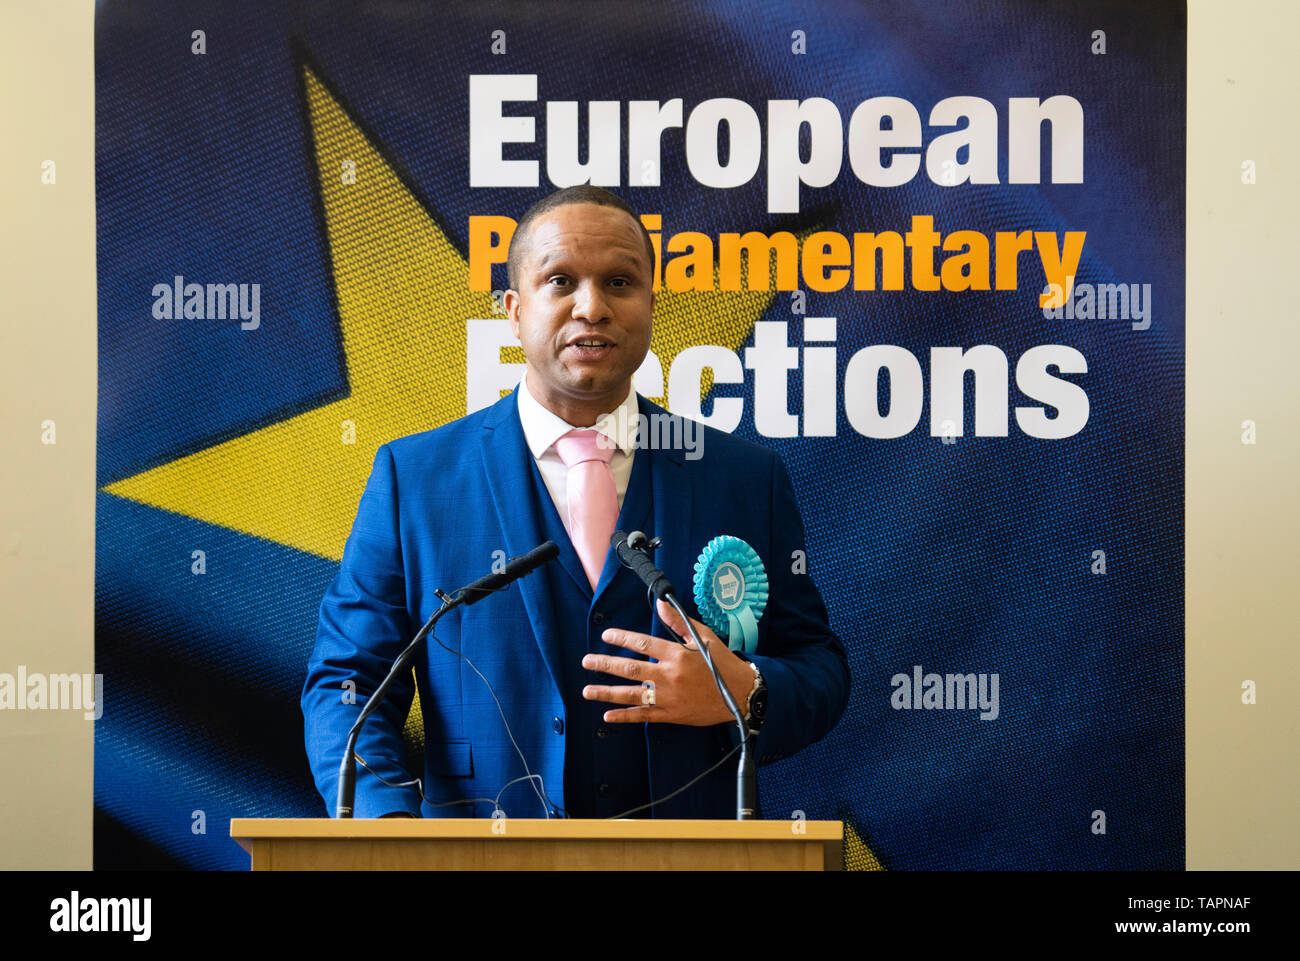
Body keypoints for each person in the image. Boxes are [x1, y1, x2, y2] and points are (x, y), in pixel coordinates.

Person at [301, 185, 850, 820]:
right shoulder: (414, 479)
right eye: (560, 281)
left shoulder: (745, 477)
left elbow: (820, 671)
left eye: (619, 283)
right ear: (513, 309)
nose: (591, 307)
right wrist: (389, 833)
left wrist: (743, 690)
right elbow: (347, 684)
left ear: (649, 302)